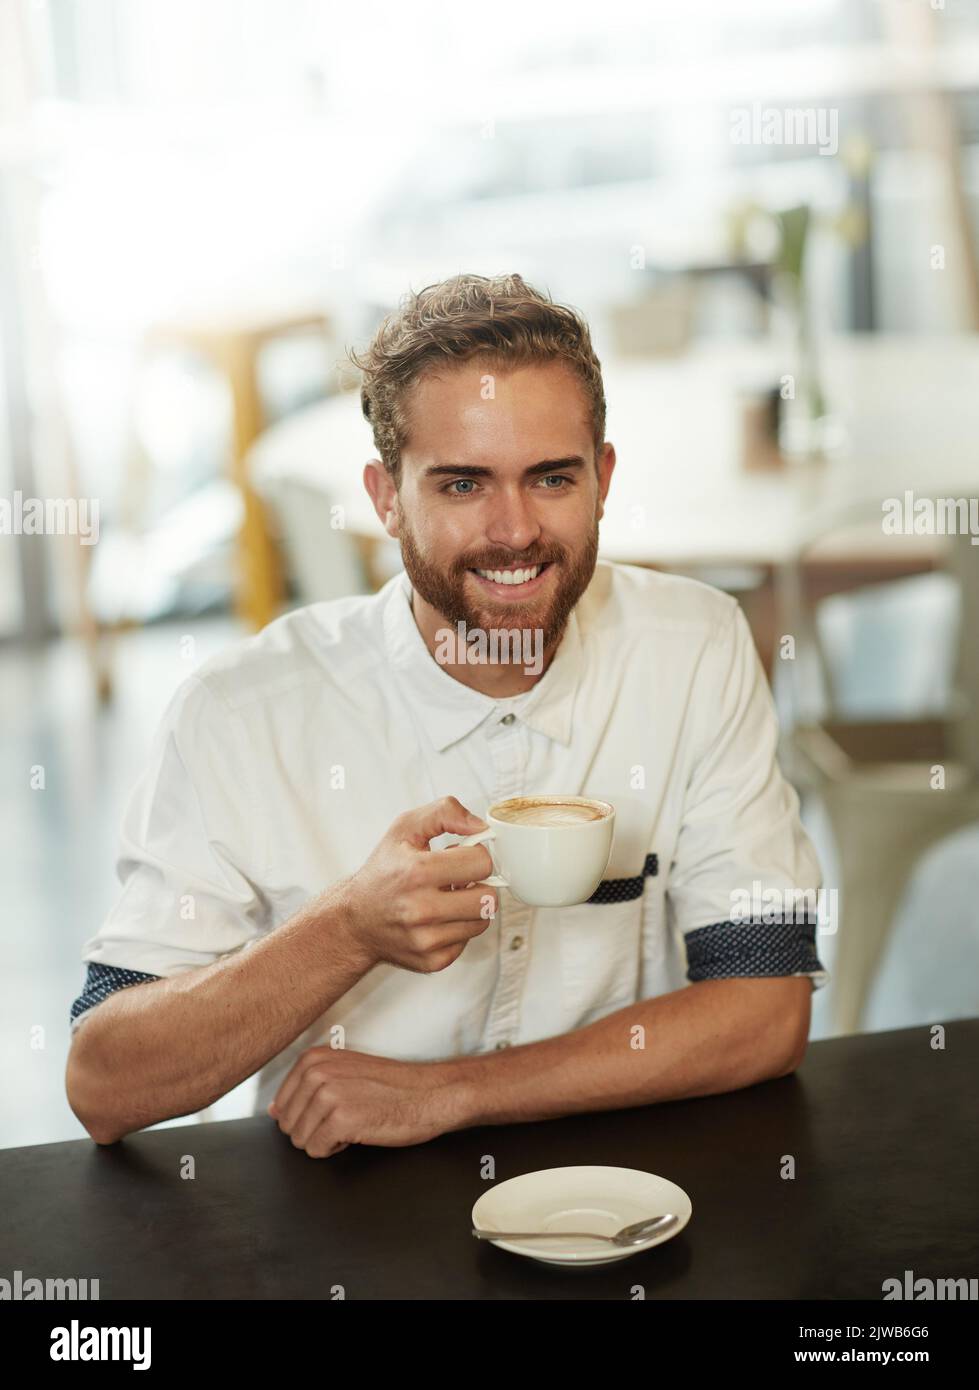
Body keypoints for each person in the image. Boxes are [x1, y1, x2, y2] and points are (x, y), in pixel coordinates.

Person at [65, 272, 826, 1158]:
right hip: (343, 1225)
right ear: (386, 497)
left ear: (602, 478)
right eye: (462, 485)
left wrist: (451, 1094)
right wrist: (345, 928)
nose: (513, 531)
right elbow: (104, 1083)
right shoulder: (241, 712)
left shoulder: (693, 645)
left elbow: (767, 1007)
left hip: (622, 1194)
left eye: (550, 478)